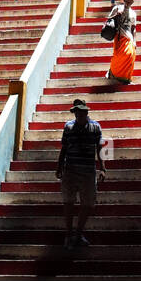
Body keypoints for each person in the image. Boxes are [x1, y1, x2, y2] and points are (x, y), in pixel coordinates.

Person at [55, 99, 106, 249]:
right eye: (76, 111)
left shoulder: (96, 127)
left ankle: (78, 233)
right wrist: (59, 167)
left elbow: (101, 148)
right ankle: (69, 235)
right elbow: (64, 149)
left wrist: (103, 168)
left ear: (86, 112)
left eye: (80, 111)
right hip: (70, 170)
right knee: (68, 202)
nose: (78, 114)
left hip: (88, 171)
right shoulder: (68, 127)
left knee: (88, 204)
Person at [106, 0, 136, 84]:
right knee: (118, 56)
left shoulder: (133, 13)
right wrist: (116, 15)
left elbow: (133, 28)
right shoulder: (117, 8)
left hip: (129, 38)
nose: (128, 1)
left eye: (130, 0)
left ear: (132, 2)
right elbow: (108, 19)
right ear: (123, 0)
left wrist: (135, 41)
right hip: (119, 36)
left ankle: (126, 78)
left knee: (130, 55)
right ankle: (112, 72)